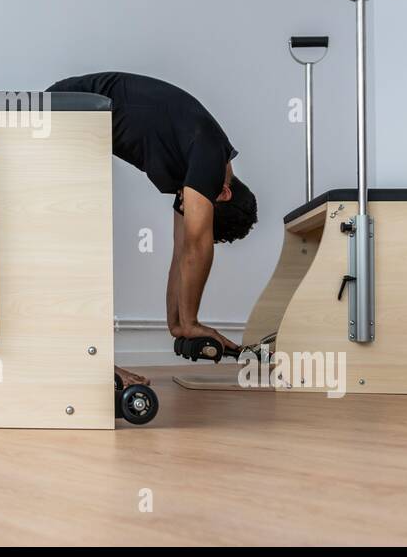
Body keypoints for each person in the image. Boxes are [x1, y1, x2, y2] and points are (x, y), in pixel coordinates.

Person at [47, 72, 257, 387]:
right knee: (80, 252)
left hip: (72, 117)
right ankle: (94, 369)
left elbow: (182, 248)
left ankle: (92, 364)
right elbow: (196, 248)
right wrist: (192, 323)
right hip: (66, 111)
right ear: (224, 194)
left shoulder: (193, 167)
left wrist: (177, 325)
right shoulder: (211, 158)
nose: (191, 215)